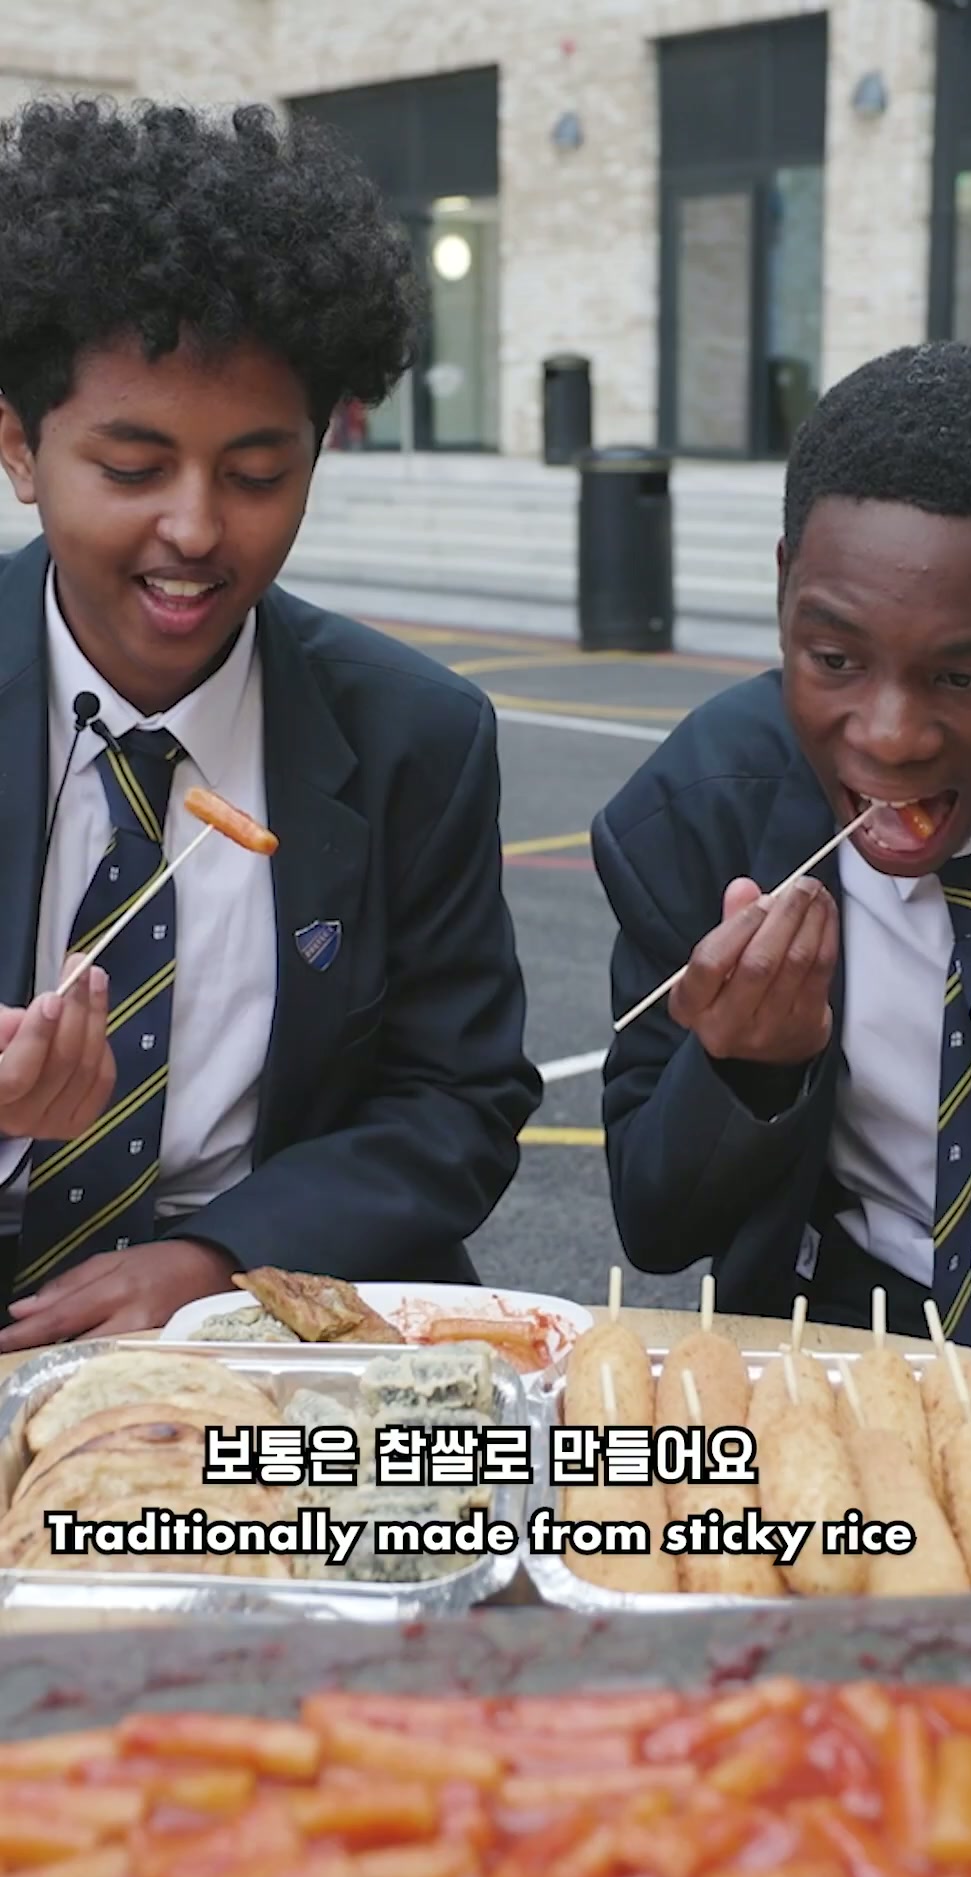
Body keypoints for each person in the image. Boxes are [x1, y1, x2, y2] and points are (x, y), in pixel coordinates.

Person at [0, 97, 541, 1350]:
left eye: (257, 475)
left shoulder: (418, 735)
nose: (195, 530)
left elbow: (455, 1097)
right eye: (132, 470)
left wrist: (213, 1260)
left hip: (268, 1314)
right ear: (22, 446)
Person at [593, 341, 971, 1369]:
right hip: (861, 1341)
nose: (890, 736)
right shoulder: (693, 814)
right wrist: (743, 1069)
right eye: (835, 660)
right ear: (785, 591)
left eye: (962, 677)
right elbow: (656, 1222)